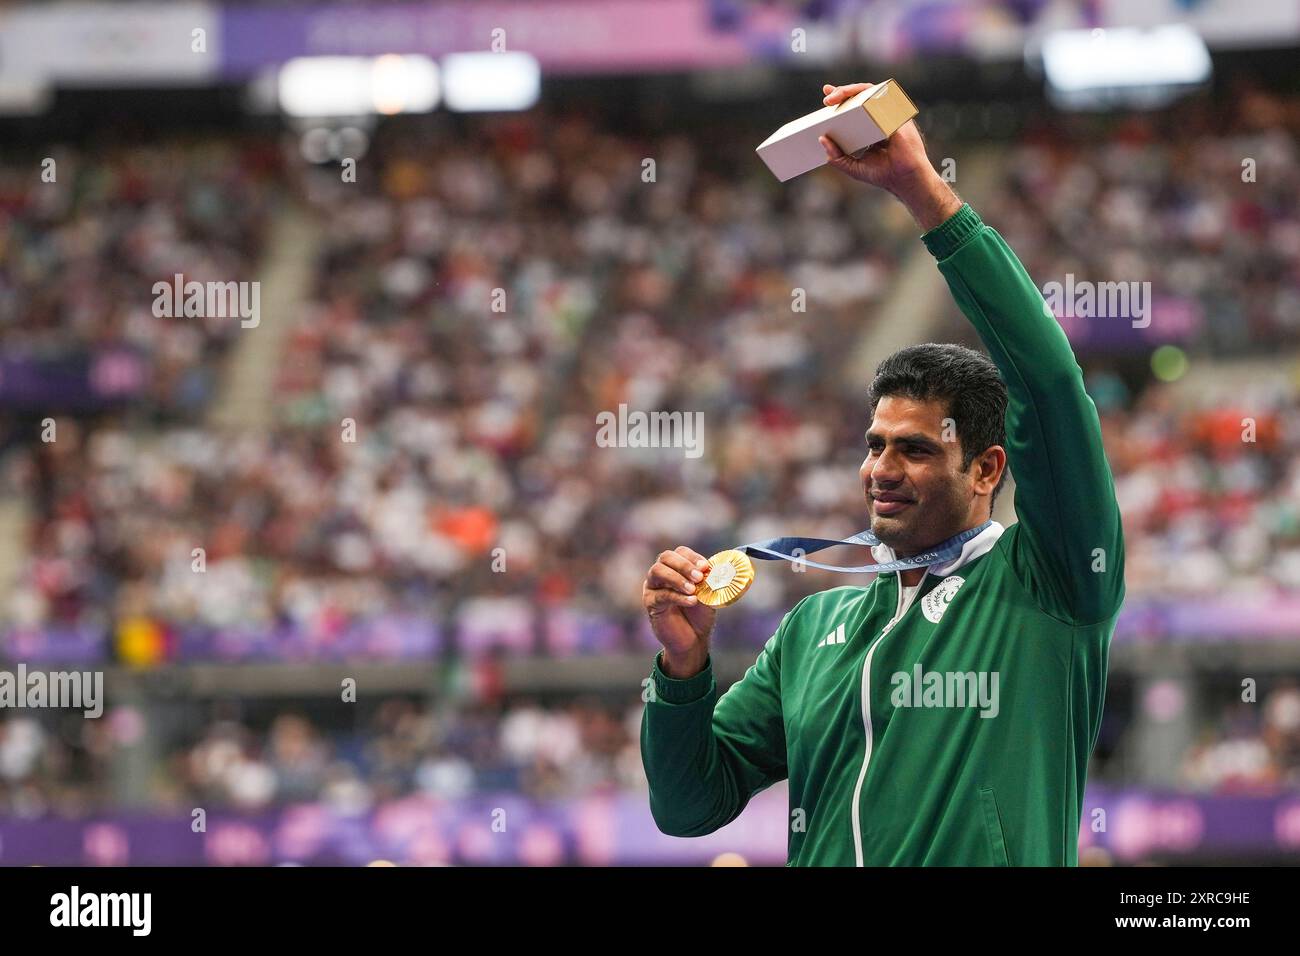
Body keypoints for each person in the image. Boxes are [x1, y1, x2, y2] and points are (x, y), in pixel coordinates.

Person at [639, 82, 1126, 866]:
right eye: (875, 445)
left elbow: (1050, 385)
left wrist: (922, 191)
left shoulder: (1049, 583)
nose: (882, 470)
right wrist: (684, 669)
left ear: (986, 467)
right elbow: (690, 807)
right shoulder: (812, 633)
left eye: (917, 449)